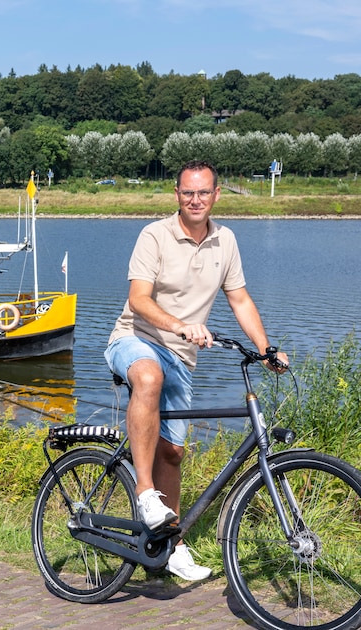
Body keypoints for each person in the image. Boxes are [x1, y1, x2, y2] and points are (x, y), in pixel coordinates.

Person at [103, 160, 288, 582]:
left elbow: (239, 299)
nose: (196, 200)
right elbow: (138, 300)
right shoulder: (154, 235)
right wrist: (181, 325)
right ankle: (145, 493)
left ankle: (170, 543)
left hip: (182, 358)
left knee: (174, 452)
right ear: (177, 194)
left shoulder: (226, 241)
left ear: (216, 195)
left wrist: (266, 349)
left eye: (204, 192)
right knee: (148, 377)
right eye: (188, 192)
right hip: (136, 340)